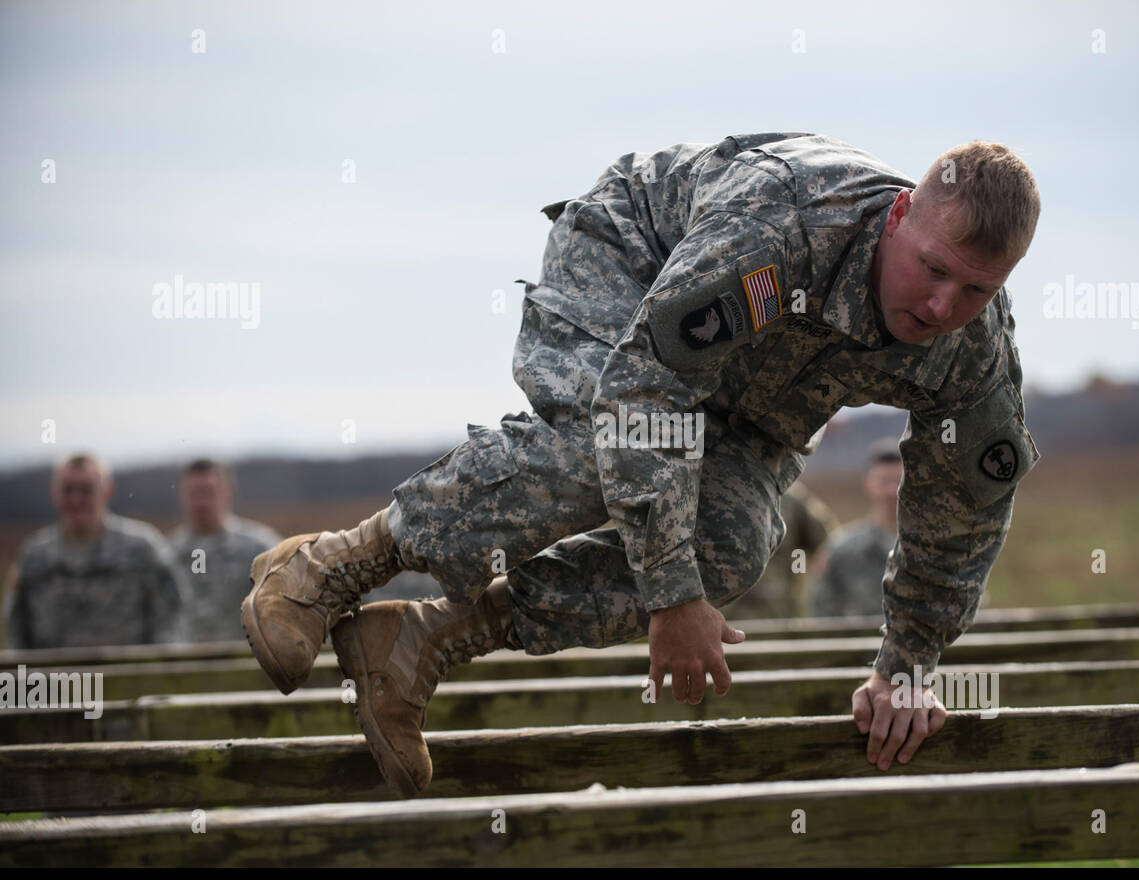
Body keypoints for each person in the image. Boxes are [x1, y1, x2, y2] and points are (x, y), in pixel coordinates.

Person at [241, 132, 1042, 797]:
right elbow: (642, 399)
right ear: (900, 215)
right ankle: (330, 567)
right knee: (606, 452)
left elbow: (961, 514)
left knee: (729, 541)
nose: (942, 307)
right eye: (933, 269)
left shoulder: (974, 352)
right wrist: (671, 596)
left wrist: (905, 667)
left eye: (974, 289)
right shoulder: (787, 225)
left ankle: (422, 640)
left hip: (749, 396)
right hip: (633, 268)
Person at [4, 453, 185, 649]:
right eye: (68, 489)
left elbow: (171, 624)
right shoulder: (34, 557)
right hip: (58, 679)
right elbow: (17, 634)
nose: (76, 499)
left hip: (129, 676)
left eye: (86, 489)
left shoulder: (143, 549)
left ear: (107, 491)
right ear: (54, 493)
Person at [167, 459, 281, 643]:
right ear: (182, 495)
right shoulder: (166, 554)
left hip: (243, 662)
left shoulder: (261, 549)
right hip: (185, 665)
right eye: (194, 493)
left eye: (208, 492)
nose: (201, 503)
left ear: (227, 493)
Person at [809, 437, 904, 617]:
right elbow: (823, 610)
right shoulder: (841, 548)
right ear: (869, 484)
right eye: (884, 482)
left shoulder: (933, 547)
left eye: (899, 481)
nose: (892, 491)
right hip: (857, 642)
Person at [721, 480, 838, 620]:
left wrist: (801, 570)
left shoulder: (788, 496)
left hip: (780, 617)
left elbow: (829, 545)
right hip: (726, 618)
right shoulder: (711, 490)